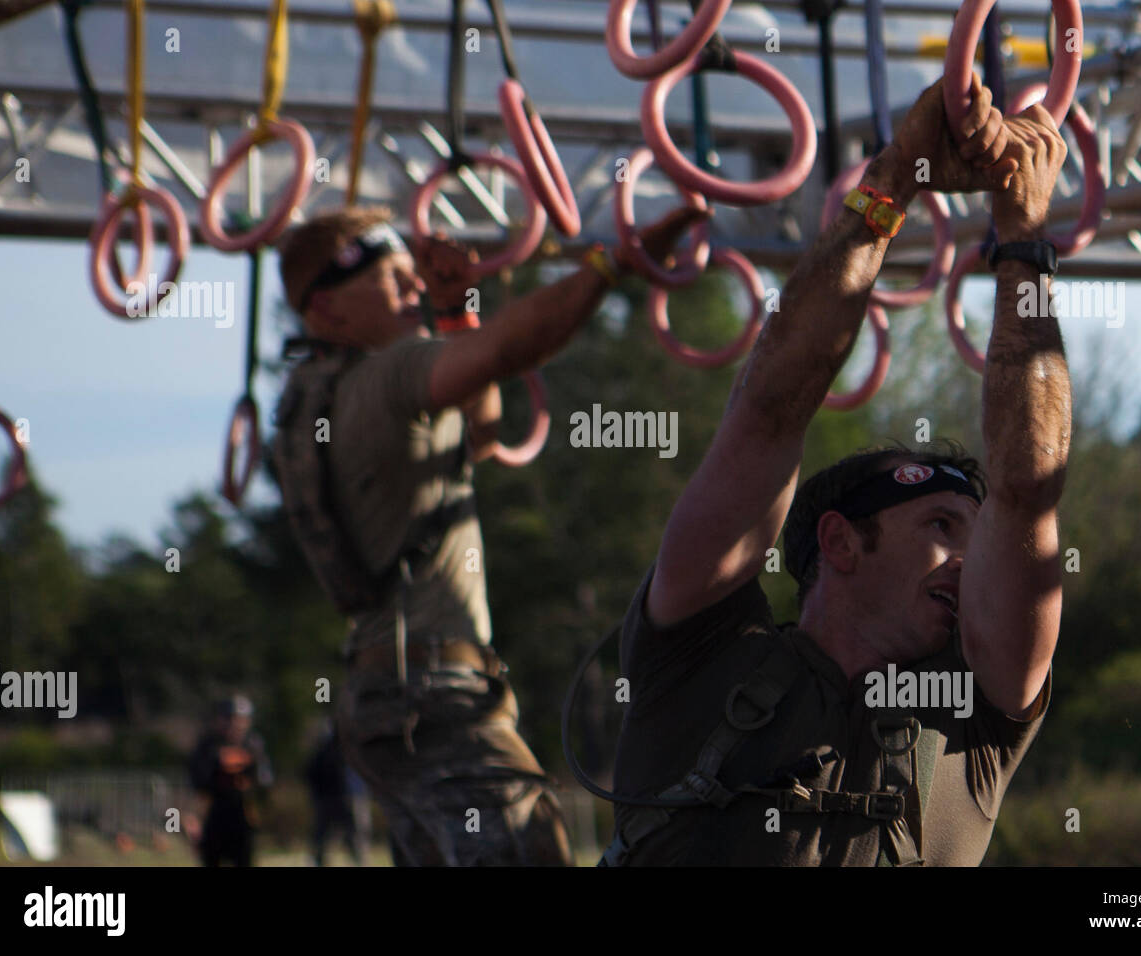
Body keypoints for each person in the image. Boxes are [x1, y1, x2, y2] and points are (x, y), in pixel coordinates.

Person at [599, 74, 1071, 866]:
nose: (969, 556)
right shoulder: (701, 647)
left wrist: (1023, 236)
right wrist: (892, 180)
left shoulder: (977, 717)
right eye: (940, 527)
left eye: (972, 534)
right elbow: (769, 413)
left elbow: (1027, 491)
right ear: (842, 544)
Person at [272, 203, 702, 866]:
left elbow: (479, 429)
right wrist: (613, 262)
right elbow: (510, 348)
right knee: (531, 851)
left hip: (389, 695)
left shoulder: (319, 397)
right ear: (327, 311)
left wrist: (456, 313)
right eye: (394, 279)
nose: (414, 287)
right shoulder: (386, 378)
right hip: (436, 697)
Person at [186, 694, 273, 867]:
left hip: (243, 817)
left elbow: (265, 780)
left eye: (241, 720)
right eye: (230, 719)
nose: (235, 725)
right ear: (220, 720)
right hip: (214, 816)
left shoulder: (253, 745)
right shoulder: (208, 745)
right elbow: (197, 781)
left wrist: (251, 767)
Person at [305, 719, 368, 866]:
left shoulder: (345, 751)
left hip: (341, 799)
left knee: (352, 836)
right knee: (337, 837)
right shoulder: (339, 751)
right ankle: (357, 861)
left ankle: (358, 860)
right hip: (337, 799)